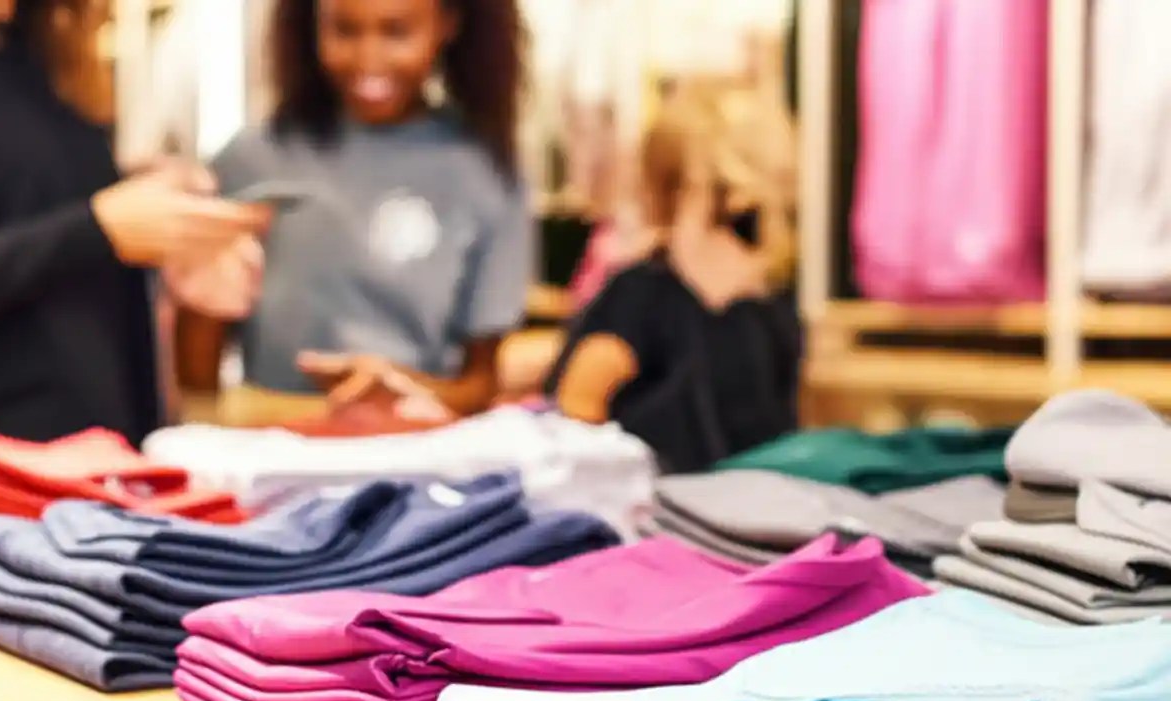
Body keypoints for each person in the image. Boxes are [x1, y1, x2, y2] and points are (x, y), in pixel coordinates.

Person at [0, 0, 273, 445]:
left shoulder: (40, 40)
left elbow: (23, 208)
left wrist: (160, 215)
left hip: (100, 459)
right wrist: (101, 227)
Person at [178, 0, 531, 425]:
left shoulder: (486, 173)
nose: (368, 58)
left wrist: (397, 384)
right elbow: (197, 384)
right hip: (272, 453)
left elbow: (479, 386)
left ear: (448, 23)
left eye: (396, 32)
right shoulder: (251, 161)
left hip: (417, 457)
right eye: (344, 31)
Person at [543, 93, 801, 474]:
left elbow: (578, 406)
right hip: (704, 507)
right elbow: (580, 404)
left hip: (701, 505)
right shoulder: (648, 297)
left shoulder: (761, 308)